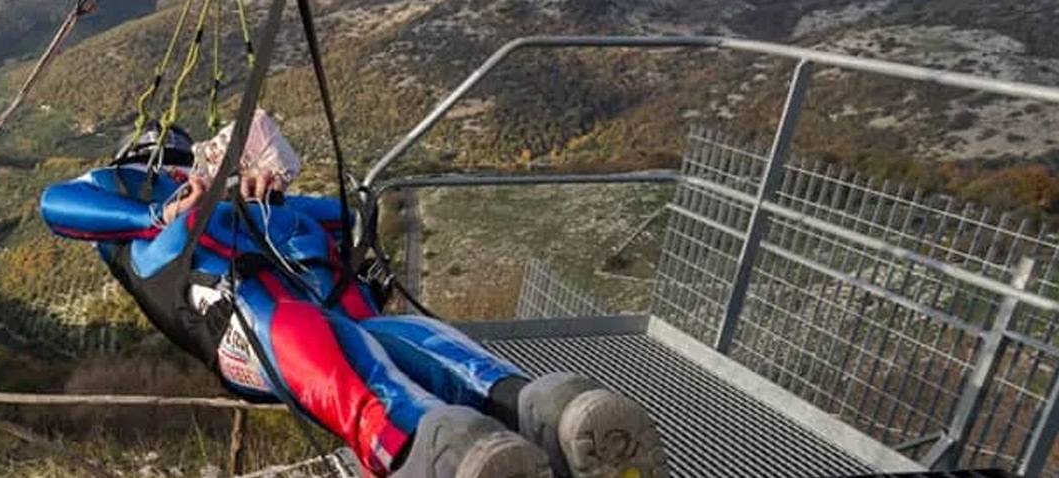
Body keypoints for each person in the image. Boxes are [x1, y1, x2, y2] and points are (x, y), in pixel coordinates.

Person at [38, 110, 665, 478]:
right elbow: (57, 204)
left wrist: (268, 187)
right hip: (253, 324)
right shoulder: (141, 226)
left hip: (322, 303)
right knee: (322, 335)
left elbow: (346, 215)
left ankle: (533, 407)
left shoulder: (237, 208)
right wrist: (164, 210)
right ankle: (421, 444)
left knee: (395, 336)